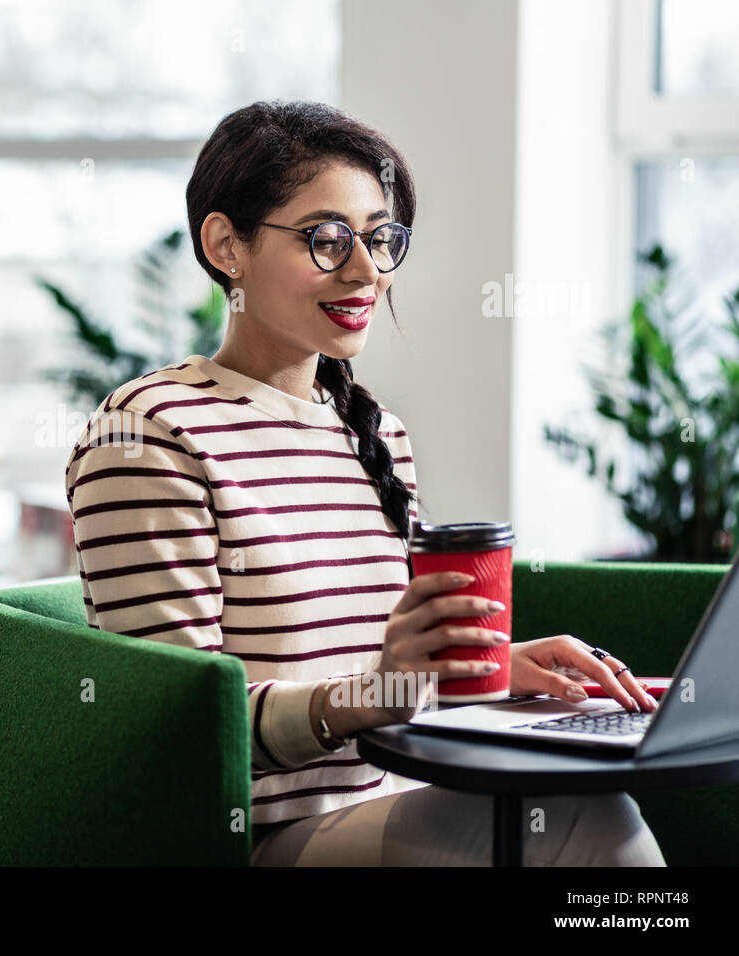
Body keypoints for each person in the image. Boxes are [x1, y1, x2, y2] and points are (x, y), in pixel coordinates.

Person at [63, 100, 666, 866]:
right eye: (327, 239)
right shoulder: (149, 434)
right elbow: (176, 735)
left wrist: (480, 673)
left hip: (388, 806)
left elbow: (373, 679)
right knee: (592, 823)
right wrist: (376, 694)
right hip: (254, 838)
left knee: (584, 811)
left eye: (381, 240)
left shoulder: (375, 433)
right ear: (226, 246)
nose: (367, 272)